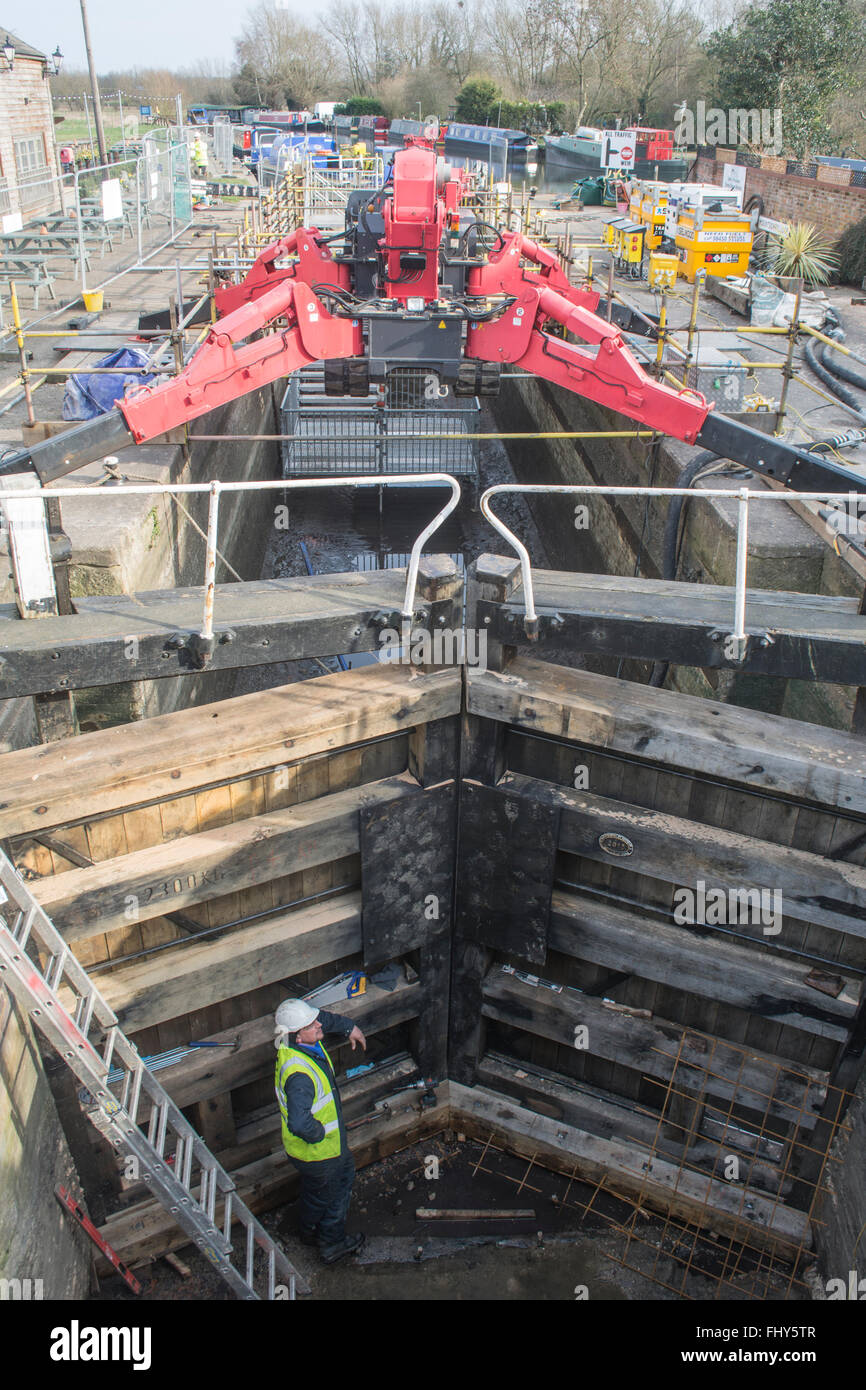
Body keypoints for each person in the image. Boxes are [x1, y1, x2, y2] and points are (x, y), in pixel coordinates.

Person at [274, 997, 367, 1264]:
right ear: (298, 1035)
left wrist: (348, 1026)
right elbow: (300, 1123)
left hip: (316, 1151)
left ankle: (307, 1231)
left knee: (321, 1190)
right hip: (320, 1152)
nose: (318, 1025)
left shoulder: (296, 1044)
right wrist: (320, 1135)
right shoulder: (299, 1076)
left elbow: (323, 1020)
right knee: (334, 1192)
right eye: (310, 1024)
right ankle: (332, 1243)